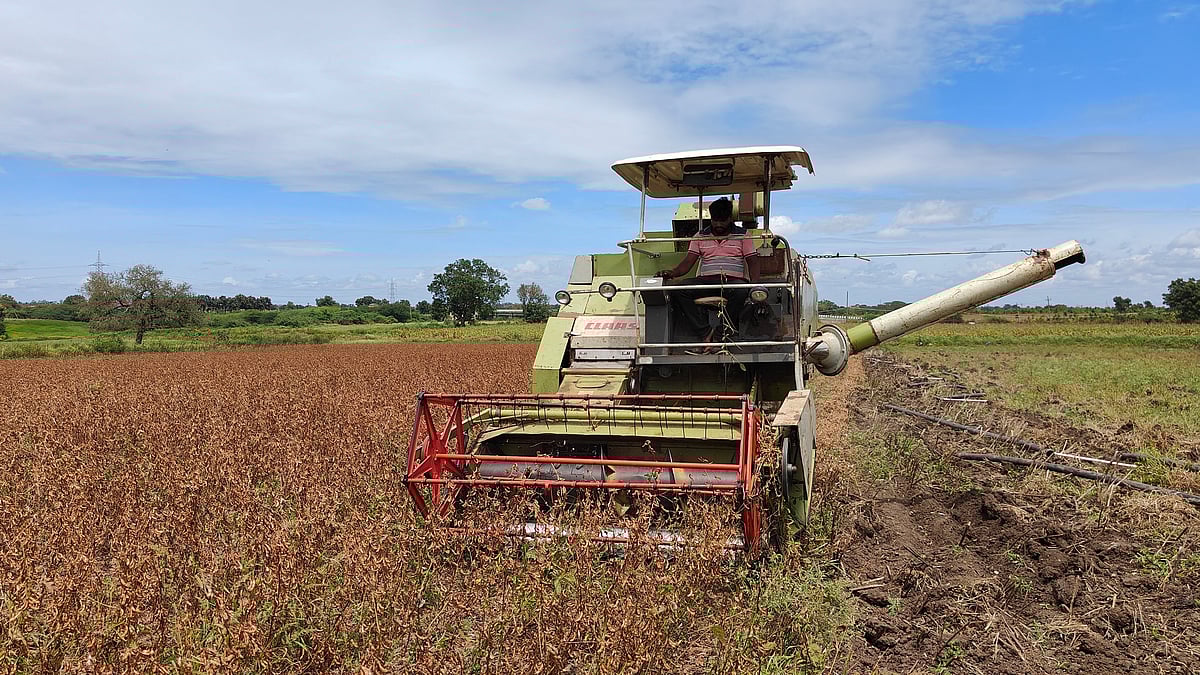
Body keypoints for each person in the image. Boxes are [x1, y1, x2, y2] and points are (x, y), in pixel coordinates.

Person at [656, 197, 760, 347]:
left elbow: (753, 262)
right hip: (706, 280)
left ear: (730, 218)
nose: (718, 224)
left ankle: (721, 333)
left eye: (722, 221)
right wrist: (671, 273)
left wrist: (754, 286)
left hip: (731, 281)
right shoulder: (700, 236)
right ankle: (705, 332)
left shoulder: (744, 235)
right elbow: (687, 264)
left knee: (741, 291)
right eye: (715, 220)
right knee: (678, 291)